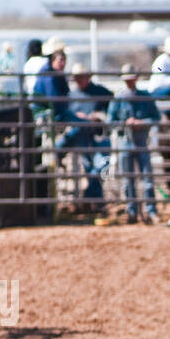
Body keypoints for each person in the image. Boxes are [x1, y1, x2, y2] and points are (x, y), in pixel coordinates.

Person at [52, 63, 112, 211]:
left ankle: (88, 199)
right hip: (80, 136)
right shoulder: (72, 96)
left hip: (98, 135)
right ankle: (94, 201)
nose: (80, 80)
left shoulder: (100, 92)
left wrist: (98, 117)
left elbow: (112, 109)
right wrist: (76, 118)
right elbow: (64, 116)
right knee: (91, 167)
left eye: (82, 77)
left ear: (88, 77)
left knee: (100, 167)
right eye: (77, 78)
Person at [108, 64, 160, 224]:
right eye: (127, 80)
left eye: (131, 79)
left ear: (136, 79)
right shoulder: (118, 99)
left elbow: (156, 117)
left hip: (141, 141)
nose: (129, 82)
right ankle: (132, 211)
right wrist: (125, 123)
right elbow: (111, 121)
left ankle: (150, 211)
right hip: (126, 142)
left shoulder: (145, 97)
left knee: (147, 178)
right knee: (128, 179)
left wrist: (142, 123)